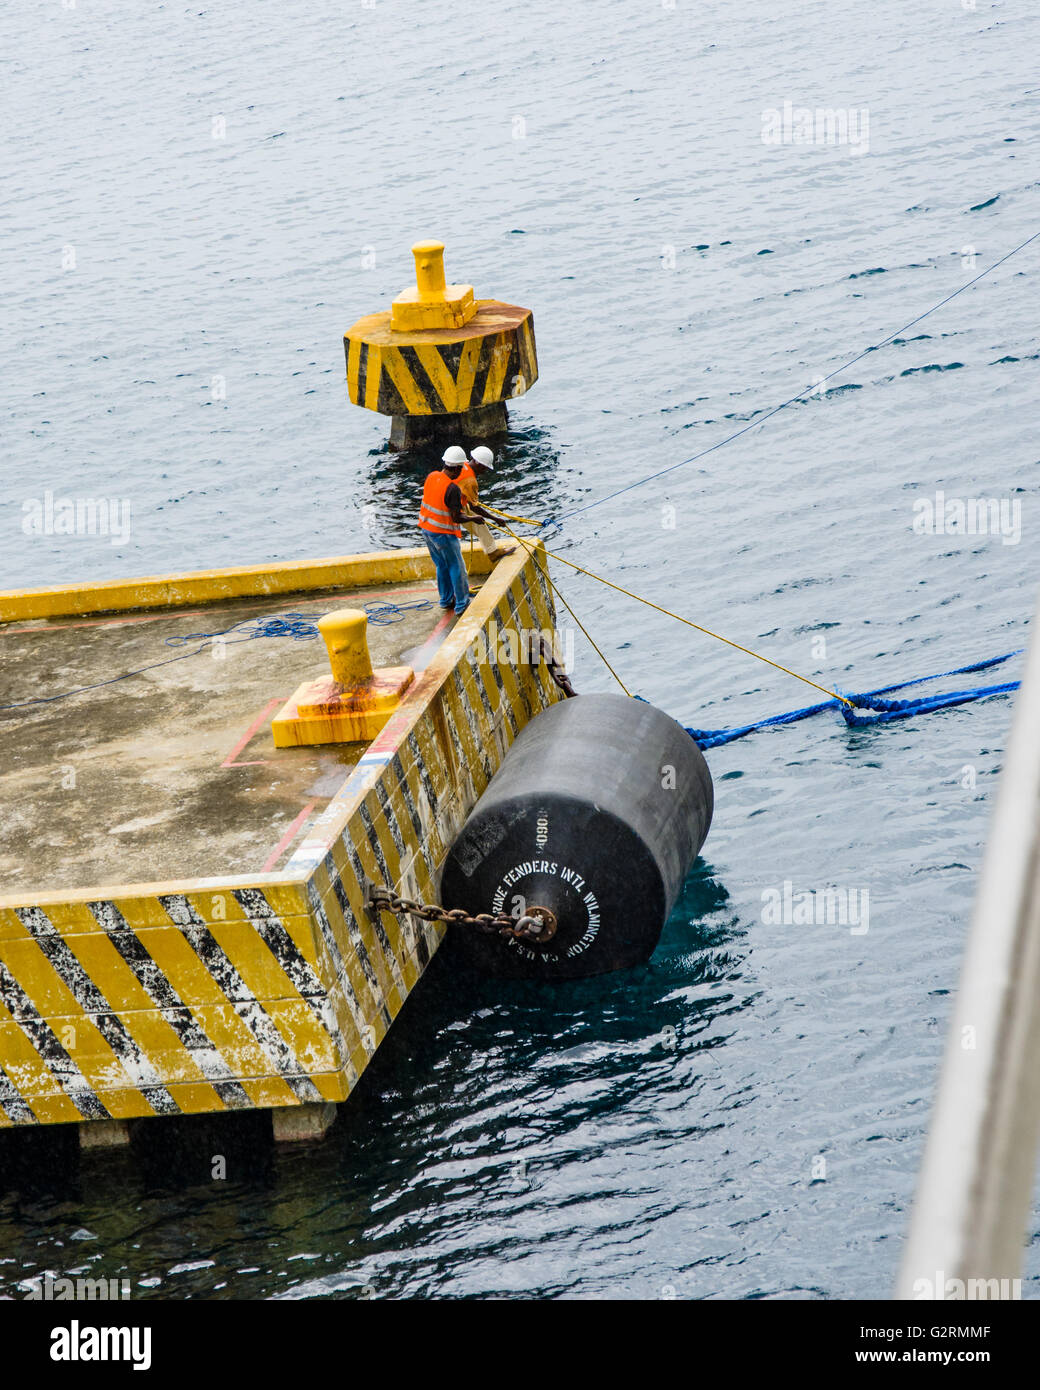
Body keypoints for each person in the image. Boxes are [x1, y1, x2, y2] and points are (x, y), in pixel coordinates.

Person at [418, 446, 473, 614]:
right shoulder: (452, 489)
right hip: (444, 534)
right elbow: (457, 517)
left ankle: (445, 600)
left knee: (441, 565)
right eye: (460, 468)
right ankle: (462, 604)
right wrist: (474, 518)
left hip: (426, 530)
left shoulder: (432, 476)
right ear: (456, 468)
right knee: (457, 567)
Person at [457, 445, 516, 562]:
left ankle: (492, 551)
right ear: (478, 463)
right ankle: (492, 552)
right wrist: (495, 519)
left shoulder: (461, 465)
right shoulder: (470, 481)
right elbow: (476, 508)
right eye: (484, 468)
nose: (484, 472)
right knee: (479, 521)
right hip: (453, 508)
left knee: (479, 524)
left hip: (457, 502)